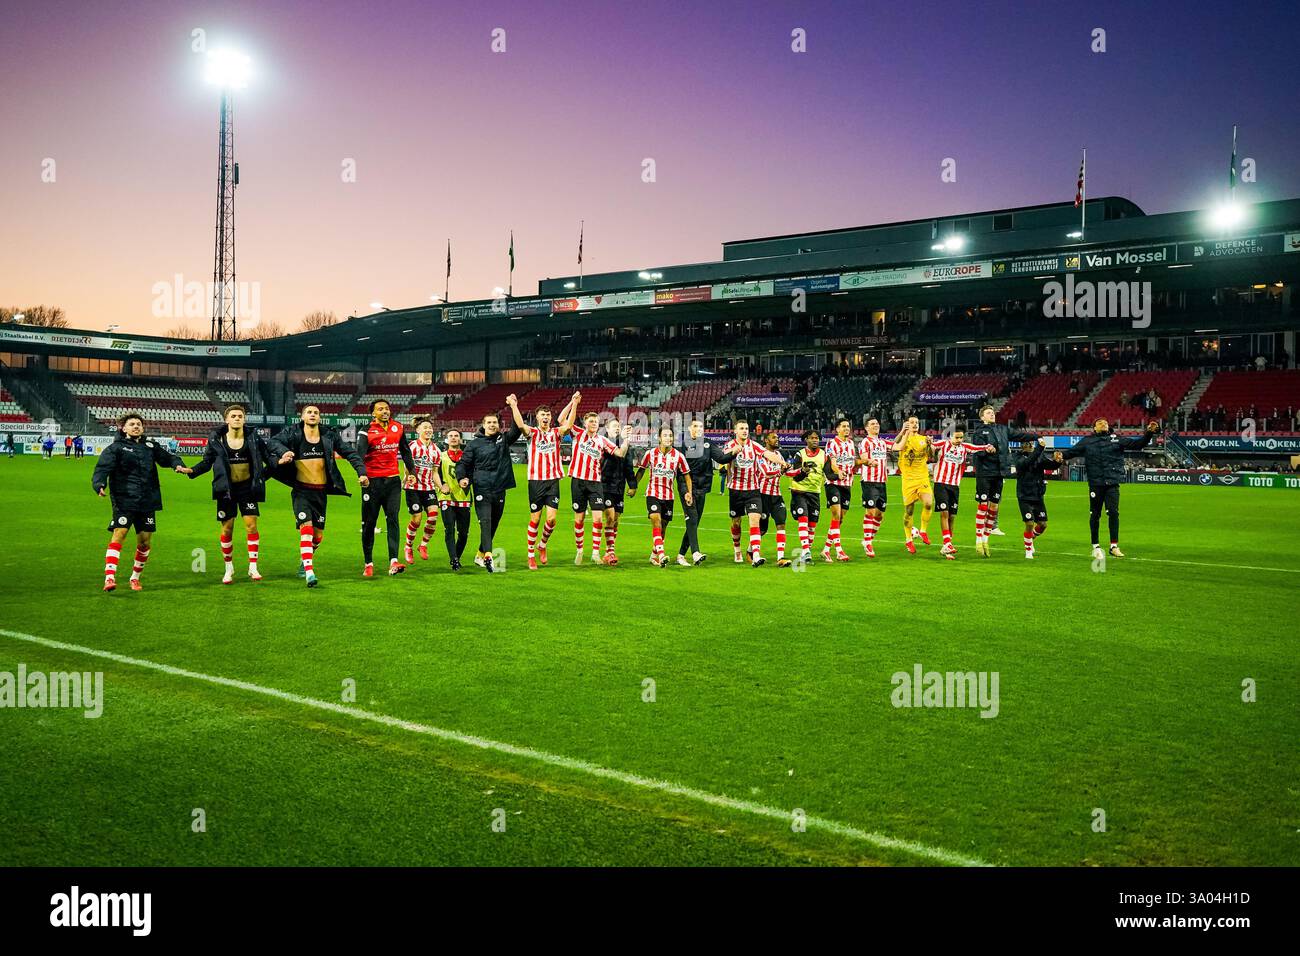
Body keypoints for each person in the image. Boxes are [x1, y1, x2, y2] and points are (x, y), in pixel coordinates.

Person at [268, 404, 369, 588]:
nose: (313, 414)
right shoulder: (293, 432)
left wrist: (361, 472)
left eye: (316, 412)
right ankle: (309, 572)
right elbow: (272, 442)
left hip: (320, 492)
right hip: (301, 491)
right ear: (302, 416)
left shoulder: (329, 435)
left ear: (319, 417)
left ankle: (305, 560)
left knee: (318, 536)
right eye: (309, 412)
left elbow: (350, 453)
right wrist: (285, 452)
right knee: (306, 528)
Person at [91, 412, 193, 591]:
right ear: (123, 428)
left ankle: (135, 578)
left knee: (145, 542)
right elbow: (102, 468)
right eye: (132, 424)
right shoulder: (116, 448)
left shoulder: (150, 446)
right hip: (125, 498)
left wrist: (177, 464)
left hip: (147, 499)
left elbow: (167, 457)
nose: (136, 426)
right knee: (119, 533)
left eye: (139, 424)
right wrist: (99, 484)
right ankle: (109, 577)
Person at [188, 403, 273, 583]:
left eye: (240, 416)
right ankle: (229, 568)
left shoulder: (253, 438)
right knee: (227, 529)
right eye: (233, 416)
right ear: (226, 419)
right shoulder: (216, 439)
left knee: (251, 525)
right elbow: (206, 462)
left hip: (247, 489)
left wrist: (279, 462)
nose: (236, 419)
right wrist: (192, 471)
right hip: (226, 489)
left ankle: (253, 567)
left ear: (244, 419)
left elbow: (267, 458)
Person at [1059, 418, 1160, 559]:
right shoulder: (1087, 441)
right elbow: (1071, 452)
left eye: (1106, 422)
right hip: (1096, 482)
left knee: (1113, 512)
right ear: (1094, 428)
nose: (1104, 424)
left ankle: (1114, 546)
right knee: (1095, 515)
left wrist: (1149, 433)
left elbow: (1137, 444)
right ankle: (1095, 546)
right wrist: (1060, 455)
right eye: (1100, 423)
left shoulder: (1116, 439)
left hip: (1112, 482)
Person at [507, 390, 579, 570]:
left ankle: (543, 544)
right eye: (542, 414)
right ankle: (531, 554)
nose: (545, 417)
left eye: (548, 414)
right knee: (536, 519)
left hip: (553, 480)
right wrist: (514, 405)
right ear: (537, 417)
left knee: (552, 519)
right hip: (536, 481)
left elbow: (569, 425)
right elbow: (520, 424)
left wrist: (574, 403)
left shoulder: (556, 433)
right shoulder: (532, 432)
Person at [455, 410, 523, 573]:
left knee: (493, 524)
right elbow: (463, 463)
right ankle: (489, 556)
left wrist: (514, 406)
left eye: (495, 422)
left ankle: (480, 554)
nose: (492, 425)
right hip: (482, 488)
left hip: (500, 488)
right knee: (485, 522)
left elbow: (517, 428)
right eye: (489, 422)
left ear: (498, 425)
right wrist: (462, 478)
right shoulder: (474, 444)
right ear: (483, 425)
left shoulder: (503, 439)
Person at [356, 398, 417, 577]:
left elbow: (405, 451)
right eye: (380, 409)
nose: (385, 411)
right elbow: (358, 454)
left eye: (387, 408)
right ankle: (368, 563)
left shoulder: (398, 427)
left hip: (392, 482)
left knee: (393, 519)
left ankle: (393, 561)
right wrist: (362, 474)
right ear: (373, 413)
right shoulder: (366, 430)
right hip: (372, 483)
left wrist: (411, 472)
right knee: (369, 523)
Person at [968, 405, 1038, 557]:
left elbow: (1019, 436)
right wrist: (985, 449)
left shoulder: (1002, 429)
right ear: (982, 417)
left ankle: (986, 539)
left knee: (994, 506)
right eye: (988, 412)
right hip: (985, 473)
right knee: (983, 505)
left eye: (992, 412)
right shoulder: (979, 432)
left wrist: (1035, 436)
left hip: (999, 473)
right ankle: (978, 539)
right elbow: (976, 450)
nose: (992, 414)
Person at [566, 409, 629, 566]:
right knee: (579, 518)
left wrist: (626, 439)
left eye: (596, 422)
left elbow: (620, 453)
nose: (593, 424)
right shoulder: (578, 434)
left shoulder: (602, 440)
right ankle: (580, 550)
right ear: (585, 423)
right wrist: (574, 404)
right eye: (591, 421)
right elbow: (564, 421)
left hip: (595, 483)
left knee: (598, 518)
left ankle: (595, 552)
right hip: (578, 481)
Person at [721, 419, 784, 567]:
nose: (744, 431)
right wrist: (730, 456)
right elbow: (722, 460)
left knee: (754, 520)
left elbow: (768, 455)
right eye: (741, 428)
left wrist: (782, 463)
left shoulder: (754, 446)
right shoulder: (729, 446)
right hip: (735, 490)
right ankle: (737, 549)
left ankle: (756, 554)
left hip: (753, 490)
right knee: (736, 522)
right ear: (735, 431)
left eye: (746, 428)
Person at [629, 426, 692, 566]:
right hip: (652, 493)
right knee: (655, 519)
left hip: (669, 496)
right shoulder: (650, 454)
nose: (668, 438)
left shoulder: (678, 456)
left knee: (663, 527)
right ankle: (662, 554)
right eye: (665, 435)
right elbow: (641, 471)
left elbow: (687, 475)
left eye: (670, 435)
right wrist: (634, 487)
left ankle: (653, 555)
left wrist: (689, 493)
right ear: (659, 438)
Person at [930, 429, 994, 559]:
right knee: (944, 513)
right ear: (951, 436)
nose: (959, 440)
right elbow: (931, 445)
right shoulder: (943, 444)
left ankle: (947, 546)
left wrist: (988, 446)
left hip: (955, 486)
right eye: (957, 437)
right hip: (940, 483)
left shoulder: (965, 447)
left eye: (961, 438)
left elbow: (978, 447)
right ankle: (947, 542)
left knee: (952, 517)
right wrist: (929, 442)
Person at [675, 418, 730, 566]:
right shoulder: (681, 445)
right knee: (692, 518)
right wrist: (684, 489)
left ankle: (681, 555)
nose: (698, 428)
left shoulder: (707, 443)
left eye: (700, 426)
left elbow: (721, 458)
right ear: (688, 428)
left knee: (694, 522)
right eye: (695, 426)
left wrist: (735, 452)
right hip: (687, 487)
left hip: (702, 488)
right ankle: (695, 553)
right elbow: (676, 466)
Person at [403, 416, 451, 565]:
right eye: (425, 428)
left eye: (430, 428)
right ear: (418, 430)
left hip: (428, 487)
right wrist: (409, 476)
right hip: (413, 488)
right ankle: (408, 546)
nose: (428, 430)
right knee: (417, 519)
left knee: (433, 516)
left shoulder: (436, 450)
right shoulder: (412, 446)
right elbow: (407, 466)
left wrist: (442, 485)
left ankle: (423, 545)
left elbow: (435, 472)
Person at [598, 418, 639, 566]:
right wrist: (623, 439)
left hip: (619, 487)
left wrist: (633, 485)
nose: (617, 428)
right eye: (614, 426)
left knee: (616, 519)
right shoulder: (603, 443)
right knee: (609, 517)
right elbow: (613, 455)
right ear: (607, 429)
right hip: (605, 485)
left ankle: (610, 551)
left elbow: (628, 467)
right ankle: (610, 551)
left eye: (618, 426)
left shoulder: (626, 445)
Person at [785, 429, 828, 563]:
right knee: (803, 519)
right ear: (806, 440)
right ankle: (806, 550)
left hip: (815, 492)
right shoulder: (800, 454)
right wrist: (803, 472)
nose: (815, 440)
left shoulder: (823, 455)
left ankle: (806, 552)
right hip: (800, 492)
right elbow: (796, 477)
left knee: (812, 524)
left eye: (817, 438)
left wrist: (839, 475)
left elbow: (828, 473)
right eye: (812, 438)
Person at [893, 416, 934, 554]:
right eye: (912, 422)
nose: (915, 424)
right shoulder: (903, 439)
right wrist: (903, 433)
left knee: (928, 503)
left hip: (922, 477)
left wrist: (929, 445)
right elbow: (895, 446)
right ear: (906, 424)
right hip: (908, 480)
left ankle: (923, 531)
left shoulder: (923, 439)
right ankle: (908, 539)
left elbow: (931, 456)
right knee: (909, 512)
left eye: (917, 422)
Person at [1013, 438, 1060, 559]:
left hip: (1038, 495)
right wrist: (1040, 449)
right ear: (1022, 446)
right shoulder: (1018, 457)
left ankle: (1031, 536)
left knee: (1043, 525)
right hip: (1024, 495)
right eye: (1026, 443)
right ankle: (1028, 550)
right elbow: (1027, 462)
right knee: (1029, 523)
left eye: (1030, 443)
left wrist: (1058, 461)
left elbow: (1050, 465)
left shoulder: (1039, 455)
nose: (1029, 445)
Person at [822, 418, 857, 562]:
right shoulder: (832, 443)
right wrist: (839, 472)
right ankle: (839, 551)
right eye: (843, 426)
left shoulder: (850, 443)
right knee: (836, 515)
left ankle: (825, 549)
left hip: (847, 484)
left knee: (840, 519)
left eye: (848, 426)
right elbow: (833, 463)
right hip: (833, 483)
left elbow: (852, 462)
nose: (846, 429)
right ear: (837, 429)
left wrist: (853, 474)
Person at [436, 428, 472, 568]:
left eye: (456, 436)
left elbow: (473, 474)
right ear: (446, 439)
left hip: (464, 497)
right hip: (446, 497)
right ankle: (454, 560)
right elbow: (436, 474)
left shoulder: (467, 457)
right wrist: (441, 485)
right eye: (450, 436)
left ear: (461, 440)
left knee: (463, 533)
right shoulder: (441, 456)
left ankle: (456, 556)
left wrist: (468, 480)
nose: (453, 438)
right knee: (449, 529)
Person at [855, 417, 891, 558]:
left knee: (880, 514)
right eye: (872, 424)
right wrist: (869, 461)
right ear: (867, 428)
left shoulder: (882, 442)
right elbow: (863, 458)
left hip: (882, 481)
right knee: (870, 512)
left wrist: (905, 432)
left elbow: (897, 447)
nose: (876, 425)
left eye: (877, 423)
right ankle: (868, 542)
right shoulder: (865, 442)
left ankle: (868, 539)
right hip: (869, 481)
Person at [757, 430, 792, 567]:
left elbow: (785, 472)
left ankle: (780, 557)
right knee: (762, 529)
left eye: (777, 437)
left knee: (781, 523)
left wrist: (801, 471)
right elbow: (766, 472)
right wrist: (781, 470)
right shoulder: (761, 455)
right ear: (766, 440)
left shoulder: (778, 455)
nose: (776, 439)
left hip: (776, 495)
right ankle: (751, 552)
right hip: (762, 495)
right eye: (773, 437)